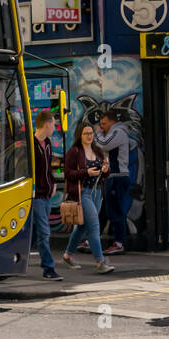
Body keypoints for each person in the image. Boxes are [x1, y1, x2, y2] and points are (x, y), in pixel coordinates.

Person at [61, 123, 115, 274]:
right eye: (86, 133)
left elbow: (104, 174)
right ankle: (100, 262)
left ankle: (67, 255)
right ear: (80, 135)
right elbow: (68, 174)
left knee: (83, 226)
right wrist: (86, 173)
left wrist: (105, 170)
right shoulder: (74, 152)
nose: (89, 136)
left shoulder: (97, 151)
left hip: (97, 193)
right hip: (83, 193)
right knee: (94, 226)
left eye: (91, 133)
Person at [94, 108, 134, 255]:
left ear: (112, 122)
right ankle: (94, 239)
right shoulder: (113, 132)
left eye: (104, 123)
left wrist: (97, 134)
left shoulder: (118, 132)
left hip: (117, 177)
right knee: (105, 211)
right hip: (112, 177)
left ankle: (119, 243)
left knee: (115, 211)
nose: (101, 126)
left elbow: (105, 145)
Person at [29, 109, 62, 281]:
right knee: (44, 232)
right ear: (47, 124)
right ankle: (48, 268)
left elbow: (49, 167)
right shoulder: (30, 144)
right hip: (37, 196)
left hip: (48, 194)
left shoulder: (47, 143)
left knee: (35, 232)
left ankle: (16, 260)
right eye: (54, 124)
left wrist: (54, 182)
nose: (54, 128)